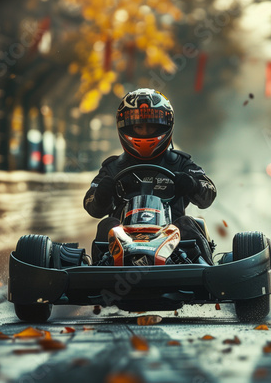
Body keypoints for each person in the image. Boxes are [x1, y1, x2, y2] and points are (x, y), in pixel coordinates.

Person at [84, 88, 216, 262]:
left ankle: (204, 272)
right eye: (138, 127)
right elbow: (91, 205)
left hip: (173, 239)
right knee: (106, 226)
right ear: (125, 127)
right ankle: (99, 274)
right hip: (123, 239)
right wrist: (102, 194)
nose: (145, 133)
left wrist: (193, 185)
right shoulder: (113, 167)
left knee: (188, 223)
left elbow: (209, 193)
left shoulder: (181, 163)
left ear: (165, 126)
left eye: (151, 126)